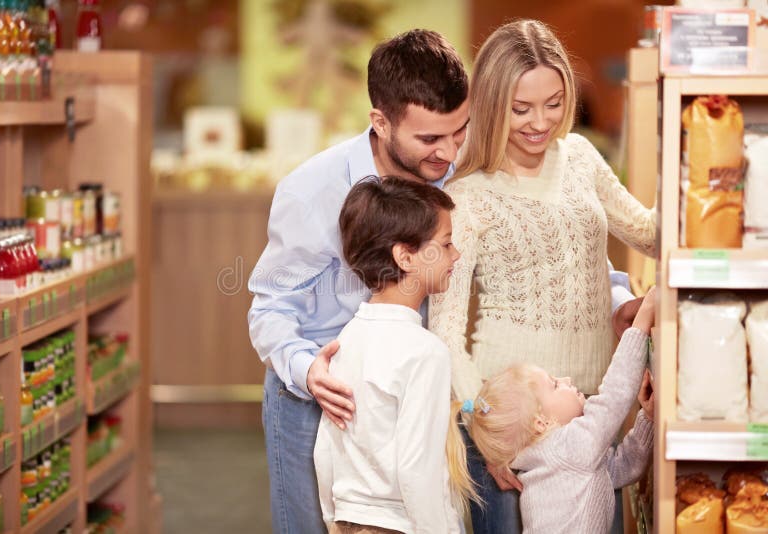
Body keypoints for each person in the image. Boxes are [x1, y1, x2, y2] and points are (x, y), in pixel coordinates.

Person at [249, 28, 639, 534]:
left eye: (460, 131)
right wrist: (309, 373)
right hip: (325, 393)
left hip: (423, 384)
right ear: (381, 123)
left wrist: (617, 297)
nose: (450, 152)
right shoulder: (312, 191)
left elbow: (552, 244)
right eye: (431, 139)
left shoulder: (463, 165)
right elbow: (270, 307)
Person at [428, 19, 657, 533]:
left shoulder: (580, 158)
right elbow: (445, 334)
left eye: (553, 103)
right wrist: (486, 429)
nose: (540, 122)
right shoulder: (468, 194)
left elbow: (647, 233)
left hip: (590, 409)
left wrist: (689, 174)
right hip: (512, 434)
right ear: (492, 104)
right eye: (521, 108)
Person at [314, 176, 472, 534]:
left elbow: (325, 448)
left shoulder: (347, 338)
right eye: (446, 244)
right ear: (405, 256)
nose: (456, 254)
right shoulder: (426, 352)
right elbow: (418, 470)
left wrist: (332, 519)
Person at [461, 287, 656, 533]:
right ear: (540, 422)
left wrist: (648, 418)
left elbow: (623, 467)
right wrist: (644, 317)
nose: (566, 380)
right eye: (554, 385)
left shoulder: (552, 460)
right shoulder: (567, 449)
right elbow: (614, 396)